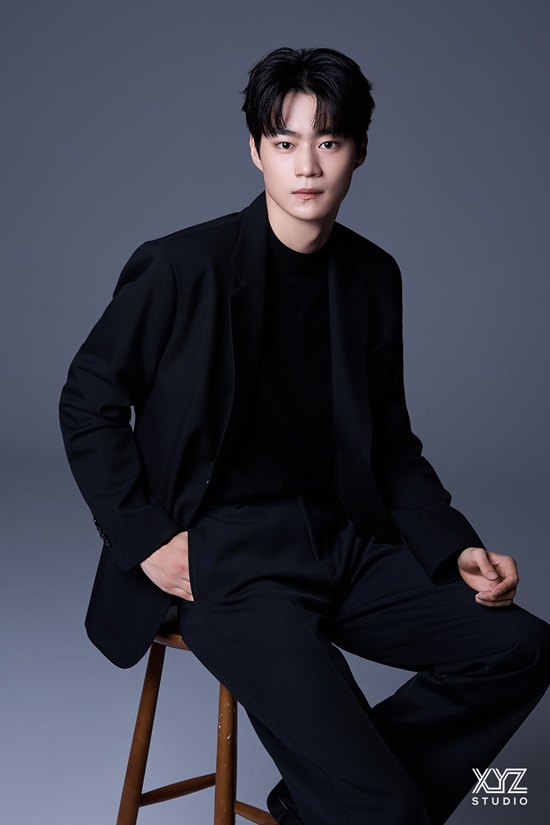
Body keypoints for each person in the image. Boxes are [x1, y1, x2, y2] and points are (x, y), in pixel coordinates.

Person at [59, 47, 550, 825]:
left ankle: (325, 801)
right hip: (223, 556)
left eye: (329, 141)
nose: (307, 165)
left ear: (359, 151)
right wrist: (145, 537)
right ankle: (361, 800)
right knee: (382, 805)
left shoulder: (372, 275)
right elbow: (87, 400)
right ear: (256, 151)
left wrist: (453, 544)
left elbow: (389, 441)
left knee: (522, 647)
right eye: (285, 142)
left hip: (340, 539)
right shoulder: (182, 266)